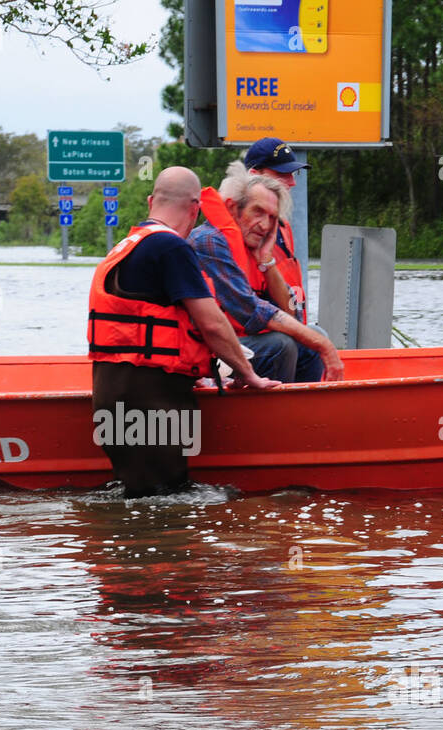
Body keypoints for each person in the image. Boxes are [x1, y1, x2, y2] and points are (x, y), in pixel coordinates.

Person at [88, 166, 278, 498]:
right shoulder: (171, 247)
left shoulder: (130, 244)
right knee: (165, 507)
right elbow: (212, 323)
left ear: (151, 201)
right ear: (195, 209)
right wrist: (250, 374)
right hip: (149, 399)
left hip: (112, 394)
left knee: (144, 498)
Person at [189, 161, 343, 384]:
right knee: (282, 345)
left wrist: (267, 262)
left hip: (240, 344)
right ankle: (278, 415)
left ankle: (305, 411)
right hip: (208, 353)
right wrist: (325, 348)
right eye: (258, 212)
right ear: (233, 208)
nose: (264, 225)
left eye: (271, 217)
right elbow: (250, 310)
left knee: (314, 334)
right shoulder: (210, 241)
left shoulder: (253, 248)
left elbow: (292, 314)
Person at [244, 137, 309, 323]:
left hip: (291, 329)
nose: (292, 183)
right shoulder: (235, 231)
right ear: (254, 175)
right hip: (265, 337)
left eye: (293, 174)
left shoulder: (284, 227)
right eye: (282, 174)